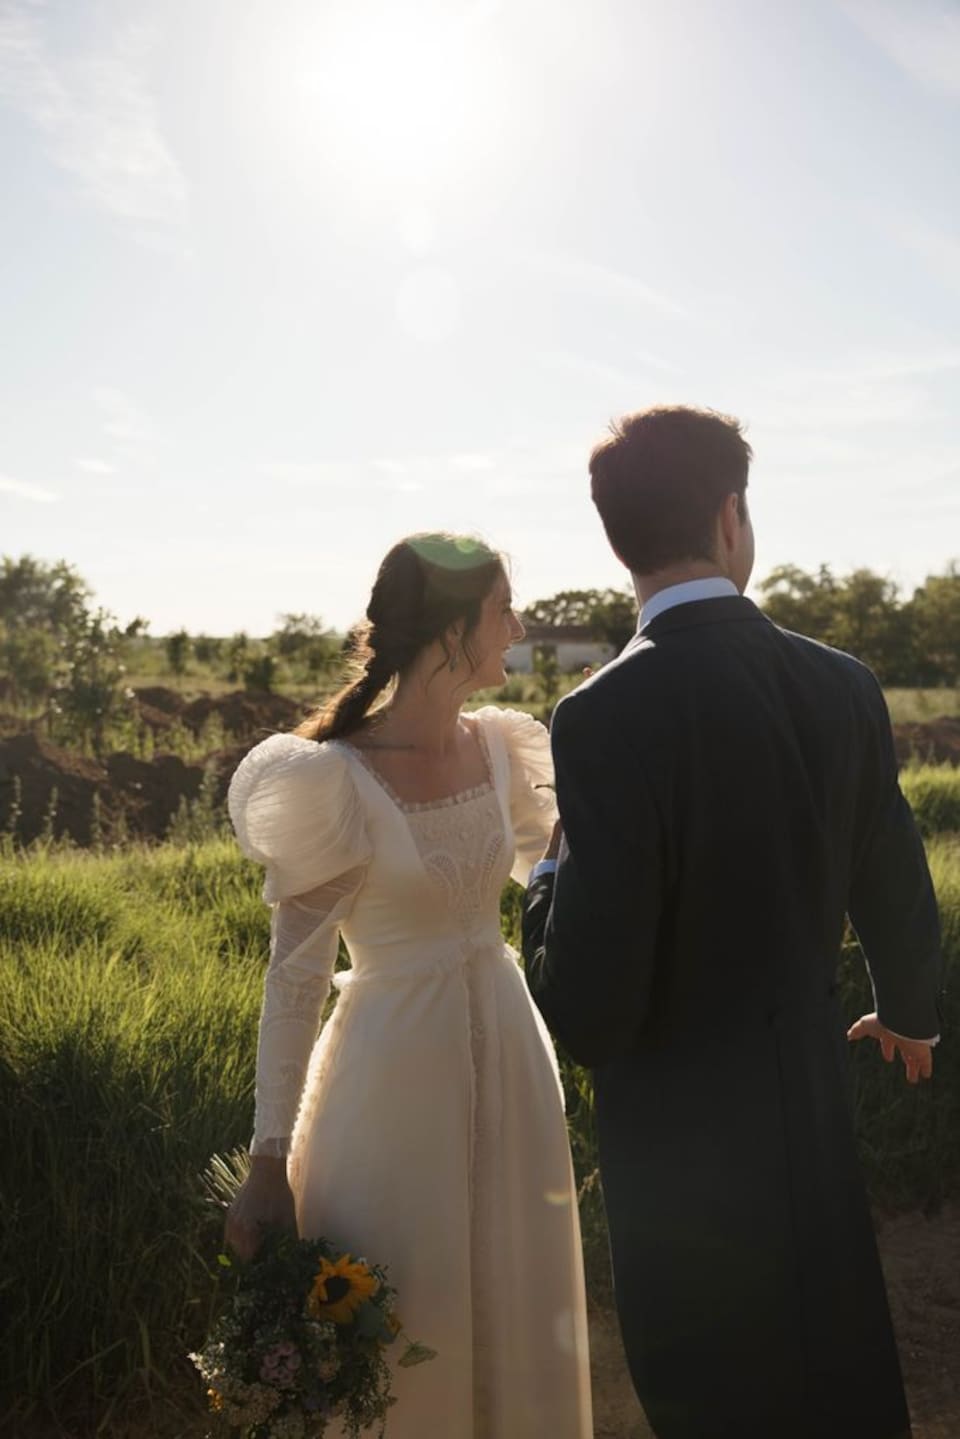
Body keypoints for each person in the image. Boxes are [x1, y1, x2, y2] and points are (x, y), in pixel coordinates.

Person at [521, 406, 943, 1439]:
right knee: (836, 1366)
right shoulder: (844, 681)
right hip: (807, 1111)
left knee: (713, 1394)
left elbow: (593, 1003)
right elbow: (891, 864)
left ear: (615, 535)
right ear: (731, 515)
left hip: (677, 1156)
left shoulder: (601, 713)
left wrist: (541, 882)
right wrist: (911, 1011)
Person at [225, 533, 592, 1439]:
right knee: (407, 1332)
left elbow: (575, 876)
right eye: (505, 608)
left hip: (512, 1059)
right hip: (389, 1086)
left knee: (518, 1301)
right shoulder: (331, 780)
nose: (520, 625)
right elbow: (294, 977)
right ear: (453, 630)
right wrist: (268, 1161)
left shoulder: (506, 750)